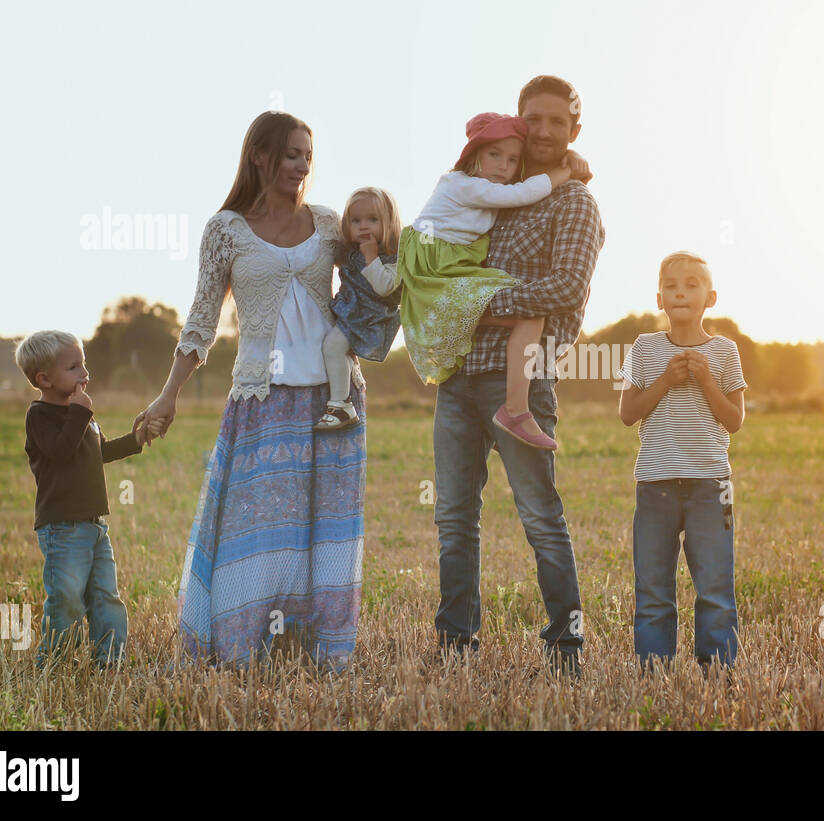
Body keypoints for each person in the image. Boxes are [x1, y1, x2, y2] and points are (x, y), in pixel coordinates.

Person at [136, 111, 383, 670]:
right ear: (259, 156)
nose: (301, 166)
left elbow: (377, 279)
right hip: (262, 397)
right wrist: (168, 394)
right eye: (291, 154)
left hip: (334, 402)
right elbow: (201, 319)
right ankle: (243, 648)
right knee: (254, 528)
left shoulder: (327, 225)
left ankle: (320, 653)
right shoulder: (226, 229)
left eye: (308, 157)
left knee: (328, 533)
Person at [433, 76, 603, 677]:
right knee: (454, 517)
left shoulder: (575, 203)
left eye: (560, 122)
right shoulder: (493, 190)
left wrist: (483, 304)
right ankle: (456, 645)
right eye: (535, 119)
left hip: (519, 382)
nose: (546, 131)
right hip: (458, 375)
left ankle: (566, 648)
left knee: (540, 515)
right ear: (520, 122)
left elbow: (566, 288)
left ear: (574, 131)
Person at [398, 112, 586, 449]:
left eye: (512, 159)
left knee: (529, 314)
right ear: (473, 156)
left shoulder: (486, 188)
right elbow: (522, 194)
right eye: (494, 155)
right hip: (437, 265)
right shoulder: (462, 184)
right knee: (530, 313)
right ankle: (515, 409)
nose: (503, 166)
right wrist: (567, 172)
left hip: (451, 264)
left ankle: (514, 407)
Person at [616, 251, 747, 670]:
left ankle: (719, 672)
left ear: (711, 297)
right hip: (655, 484)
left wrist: (706, 380)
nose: (681, 292)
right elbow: (628, 412)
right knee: (653, 588)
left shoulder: (726, 351)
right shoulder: (645, 348)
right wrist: (666, 380)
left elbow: (734, 420)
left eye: (692, 285)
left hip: (712, 486)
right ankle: (654, 672)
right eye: (671, 286)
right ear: (659, 299)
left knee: (715, 586)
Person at [15, 329, 160, 667]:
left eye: (84, 364)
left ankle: (110, 662)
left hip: (95, 526)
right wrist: (80, 413)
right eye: (74, 367)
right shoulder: (39, 416)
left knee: (106, 597)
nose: (85, 373)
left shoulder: (82, 415)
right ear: (44, 379)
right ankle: (54, 665)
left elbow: (100, 452)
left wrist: (136, 438)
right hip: (62, 529)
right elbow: (61, 452)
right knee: (66, 601)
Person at [313, 187, 403, 431]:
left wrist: (372, 256)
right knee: (335, 350)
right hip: (351, 312)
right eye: (356, 220)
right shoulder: (352, 253)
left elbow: (385, 287)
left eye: (373, 220)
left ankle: (340, 405)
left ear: (389, 222)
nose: (364, 226)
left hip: (368, 318)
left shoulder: (393, 258)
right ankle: (341, 401)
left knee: (332, 346)